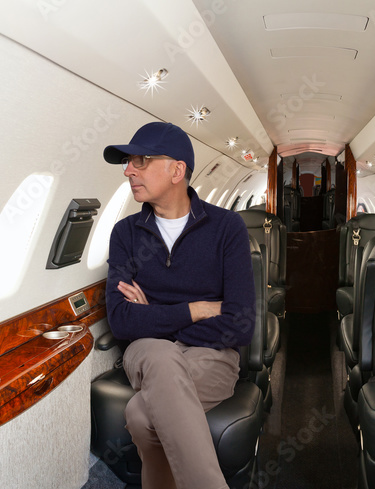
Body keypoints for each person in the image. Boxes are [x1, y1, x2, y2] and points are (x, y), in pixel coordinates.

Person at [103, 121, 255, 489]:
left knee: (141, 415)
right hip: (147, 352)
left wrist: (151, 312)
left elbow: (239, 325)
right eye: (128, 162)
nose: (128, 170)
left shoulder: (227, 228)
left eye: (140, 160)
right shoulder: (125, 233)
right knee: (159, 356)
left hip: (212, 357)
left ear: (177, 170)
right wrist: (198, 309)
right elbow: (122, 322)